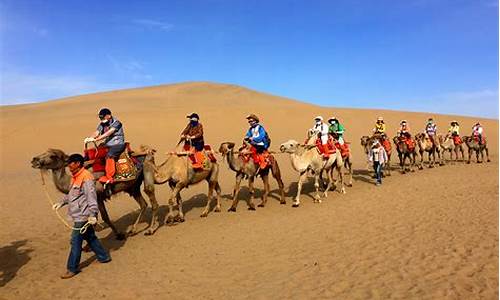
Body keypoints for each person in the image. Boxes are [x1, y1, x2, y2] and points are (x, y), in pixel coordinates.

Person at [52, 153, 111, 279]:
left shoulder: (86, 178)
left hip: (83, 216)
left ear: (78, 164)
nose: (69, 166)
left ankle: (72, 268)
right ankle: (103, 257)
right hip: (77, 214)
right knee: (90, 237)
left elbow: (91, 197)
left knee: (75, 241)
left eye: (71, 164)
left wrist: (93, 214)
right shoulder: (75, 177)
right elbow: (72, 194)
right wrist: (61, 202)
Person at [84, 108, 125, 185]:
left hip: (117, 144)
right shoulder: (102, 124)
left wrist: (97, 139)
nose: (101, 119)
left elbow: (108, 133)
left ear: (109, 116)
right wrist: (90, 138)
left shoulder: (117, 123)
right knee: (96, 152)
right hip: (107, 144)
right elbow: (97, 132)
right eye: (100, 118)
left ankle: (109, 177)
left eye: (103, 117)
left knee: (109, 155)